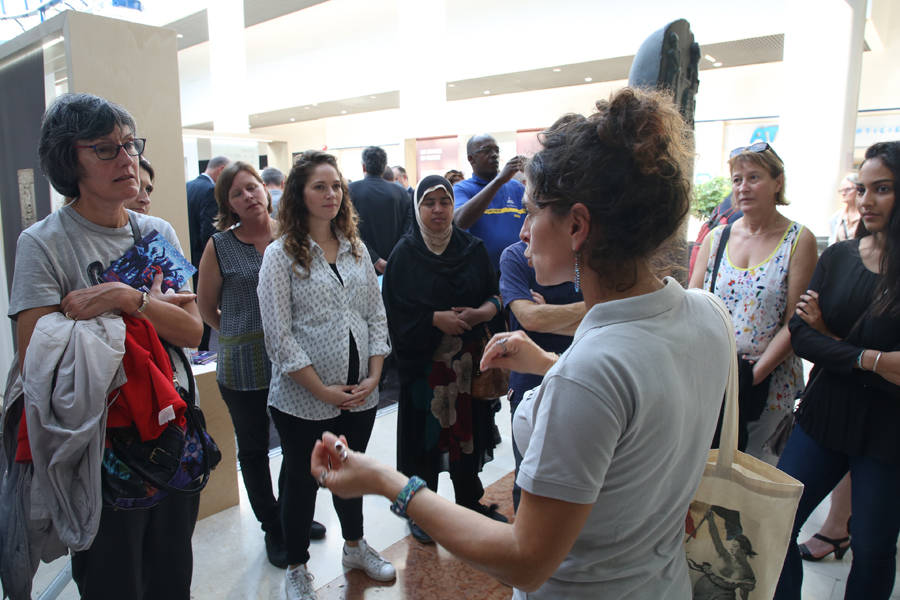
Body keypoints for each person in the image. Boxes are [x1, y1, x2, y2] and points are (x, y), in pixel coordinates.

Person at [311, 88, 733, 599]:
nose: (524, 233)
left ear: (577, 226)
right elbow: (638, 414)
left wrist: (388, 481)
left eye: (531, 213)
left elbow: (525, 560)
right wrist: (549, 362)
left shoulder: (589, 375)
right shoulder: (710, 314)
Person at [9, 93, 203, 598]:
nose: (126, 159)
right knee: (113, 584)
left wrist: (123, 298)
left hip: (172, 432)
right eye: (104, 149)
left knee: (171, 580)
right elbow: (37, 358)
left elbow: (192, 333)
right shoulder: (43, 242)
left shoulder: (155, 231)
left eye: (130, 145)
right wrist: (150, 312)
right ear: (67, 162)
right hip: (98, 449)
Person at [257, 150, 395, 600]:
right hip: (303, 399)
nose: (331, 194)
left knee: (349, 473)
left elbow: (375, 315)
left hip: (360, 394)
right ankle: (297, 567)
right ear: (299, 195)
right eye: (319, 186)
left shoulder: (357, 249)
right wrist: (321, 391)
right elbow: (279, 337)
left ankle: (354, 547)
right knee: (302, 482)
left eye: (336, 186)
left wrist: (374, 376)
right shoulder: (280, 255)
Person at [773, 141, 900, 600]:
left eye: (882, 189)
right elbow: (801, 334)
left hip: (888, 431)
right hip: (824, 414)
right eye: (862, 189)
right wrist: (872, 359)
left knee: (873, 549)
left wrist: (831, 340)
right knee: (777, 521)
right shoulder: (839, 256)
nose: (866, 200)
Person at [196, 161, 326, 570]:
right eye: (237, 193)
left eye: (252, 187)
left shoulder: (292, 235)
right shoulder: (220, 245)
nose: (248, 196)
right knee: (253, 450)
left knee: (297, 442)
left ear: (266, 190)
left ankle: (291, 513)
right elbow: (205, 306)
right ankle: (273, 525)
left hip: (292, 360)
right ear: (228, 204)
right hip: (242, 365)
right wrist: (239, 333)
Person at [382, 175, 507, 544]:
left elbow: (495, 296)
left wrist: (481, 313)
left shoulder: (472, 249)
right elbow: (395, 312)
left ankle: (468, 500)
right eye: (429, 202)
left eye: (445, 201)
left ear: (454, 205)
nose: (438, 209)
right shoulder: (405, 255)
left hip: (468, 370)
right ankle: (422, 512)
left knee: (467, 436)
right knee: (425, 442)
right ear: (417, 207)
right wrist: (434, 319)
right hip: (425, 372)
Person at [690, 142, 818, 465]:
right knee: (706, 474)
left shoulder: (798, 239)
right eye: (737, 179)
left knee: (753, 479)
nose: (743, 187)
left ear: (777, 182)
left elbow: (796, 321)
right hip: (714, 380)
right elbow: (692, 308)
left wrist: (753, 376)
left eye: (754, 177)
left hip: (768, 387)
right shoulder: (716, 238)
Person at [498, 239, 584, 511]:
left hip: (585, 377)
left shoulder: (589, 254)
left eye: (533, 218)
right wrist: (594, 309)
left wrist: (548, 317)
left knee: (576, 479)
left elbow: (613, 317)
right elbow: (530, 319)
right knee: (527, 479)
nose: (524, 230)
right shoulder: (515, 256)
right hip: (529, 385)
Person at [452, 134, 526, 273]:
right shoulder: (462, 189)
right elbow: (461, 221)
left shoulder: (518, 188)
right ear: (471, 158)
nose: (494, 155)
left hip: (519, 272)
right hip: (482, 274)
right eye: (487, 150)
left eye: (496, 150)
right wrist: (498, 181)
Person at [188, 154, 231, 350]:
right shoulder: (210, 190)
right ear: (221, 170)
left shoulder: (189, 186)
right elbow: (210, 232)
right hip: (204, 261)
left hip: (192, 258)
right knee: (205, 309)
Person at [348, 146, 411, 275]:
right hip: (397, 265)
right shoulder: (402, 193)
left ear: (363, 167)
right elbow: (408, 231)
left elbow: (350, 231)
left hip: (361, 266)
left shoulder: (349, 191)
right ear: (384, 167)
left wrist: (375, 260)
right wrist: (395, 257)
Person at [689, 510, 757, 600]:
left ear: (744, 550)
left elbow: (744, 591)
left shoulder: (748, 572)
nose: (731, 548)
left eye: (735, 546)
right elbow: (715, 536)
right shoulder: (724, 554)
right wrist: (711, 520)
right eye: (732, 546)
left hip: (726, 595)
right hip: (706, 588)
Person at [828, 173, 860, 245]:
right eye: (842, 190)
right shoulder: (835, 217)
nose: (843, 193)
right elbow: (832, 242)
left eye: (848, 189)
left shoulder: (865, 215)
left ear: (859, 190)